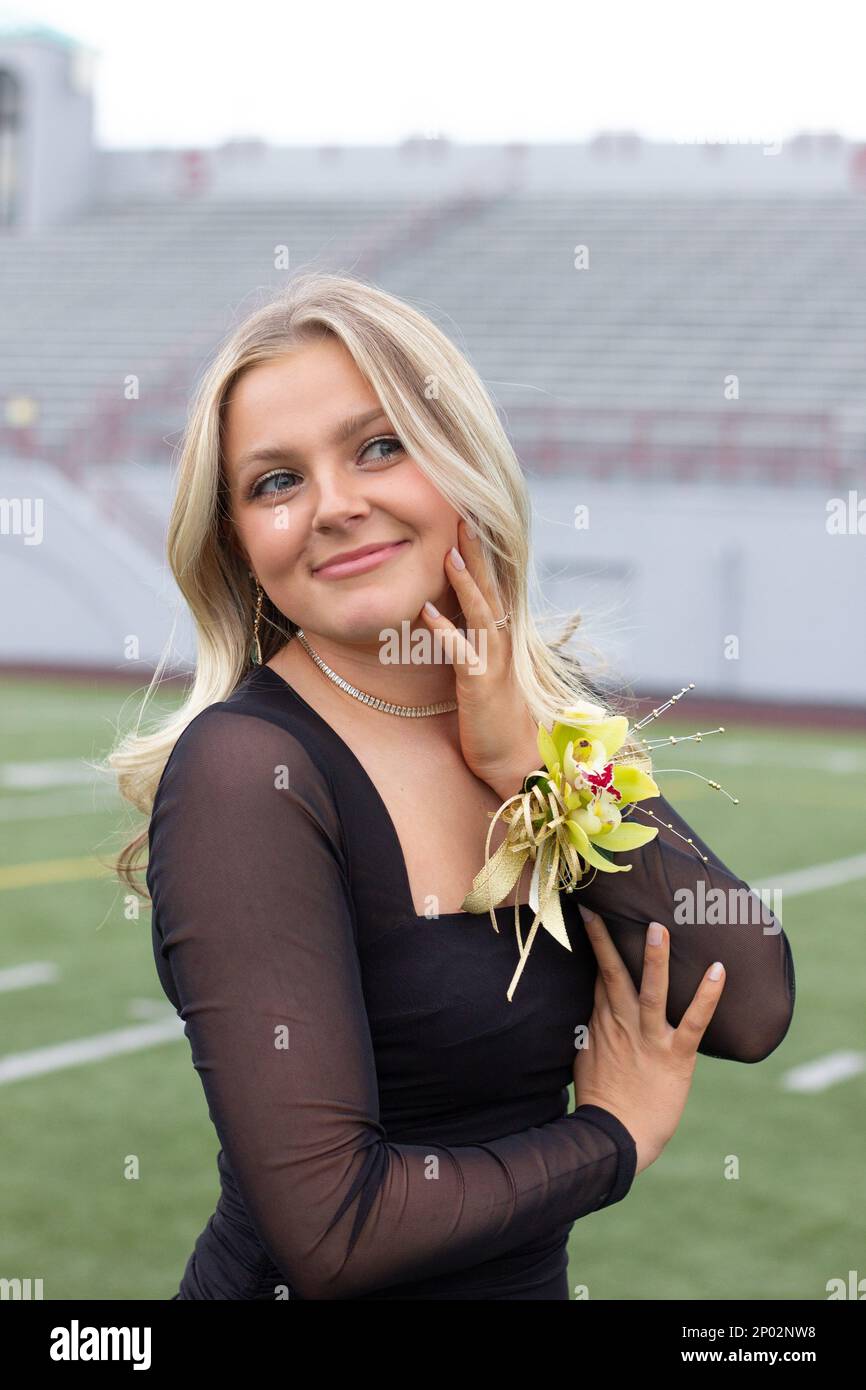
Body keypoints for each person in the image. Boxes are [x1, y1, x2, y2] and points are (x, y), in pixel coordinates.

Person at [108, 271, 795, 1301]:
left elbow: (745, 1003)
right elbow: (334, 1232)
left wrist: (535, 765)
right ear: (242, 547)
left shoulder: (542, 722)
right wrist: (612, 1137)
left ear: (456, 460)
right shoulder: (248, 774)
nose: (335, 505)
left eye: (378, 445)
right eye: (275, 482)